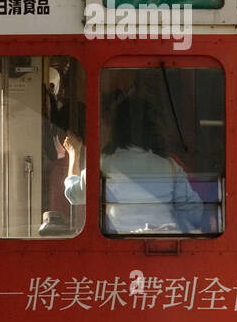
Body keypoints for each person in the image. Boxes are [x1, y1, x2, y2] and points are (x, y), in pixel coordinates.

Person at [63, 97, 203, 235]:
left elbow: (73, 195)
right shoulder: (171, 167)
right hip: (162, 247)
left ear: (116, 129)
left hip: (117, 249)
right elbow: (195, 213)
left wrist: (74, 153)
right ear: (152, 130)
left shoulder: (103, 165)